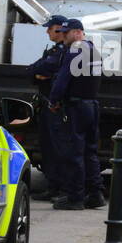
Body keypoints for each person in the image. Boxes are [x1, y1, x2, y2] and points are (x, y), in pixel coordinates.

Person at [47, 19, 105, 211]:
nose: (63, 36)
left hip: (77, 106)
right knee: (90, 152)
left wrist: (53, 100)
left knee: (74, 152)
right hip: (92, 104)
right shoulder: (94, 49)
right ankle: (95, 193)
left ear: (78, 32)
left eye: (67, 32)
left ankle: (75, 197)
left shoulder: (75, 50)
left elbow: (63, 78)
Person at [28, 15, 69, 201]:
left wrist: (40, 73)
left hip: (55, 107)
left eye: (50, 28)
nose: (47, 31)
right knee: (48, 146)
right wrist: (37, 73)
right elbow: (32, 70)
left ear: (59, 29)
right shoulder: (55, 50)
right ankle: (53, 186)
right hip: (47, 103)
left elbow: (45, 68)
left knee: (55, 147)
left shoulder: (62, 51)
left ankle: (58, 188)